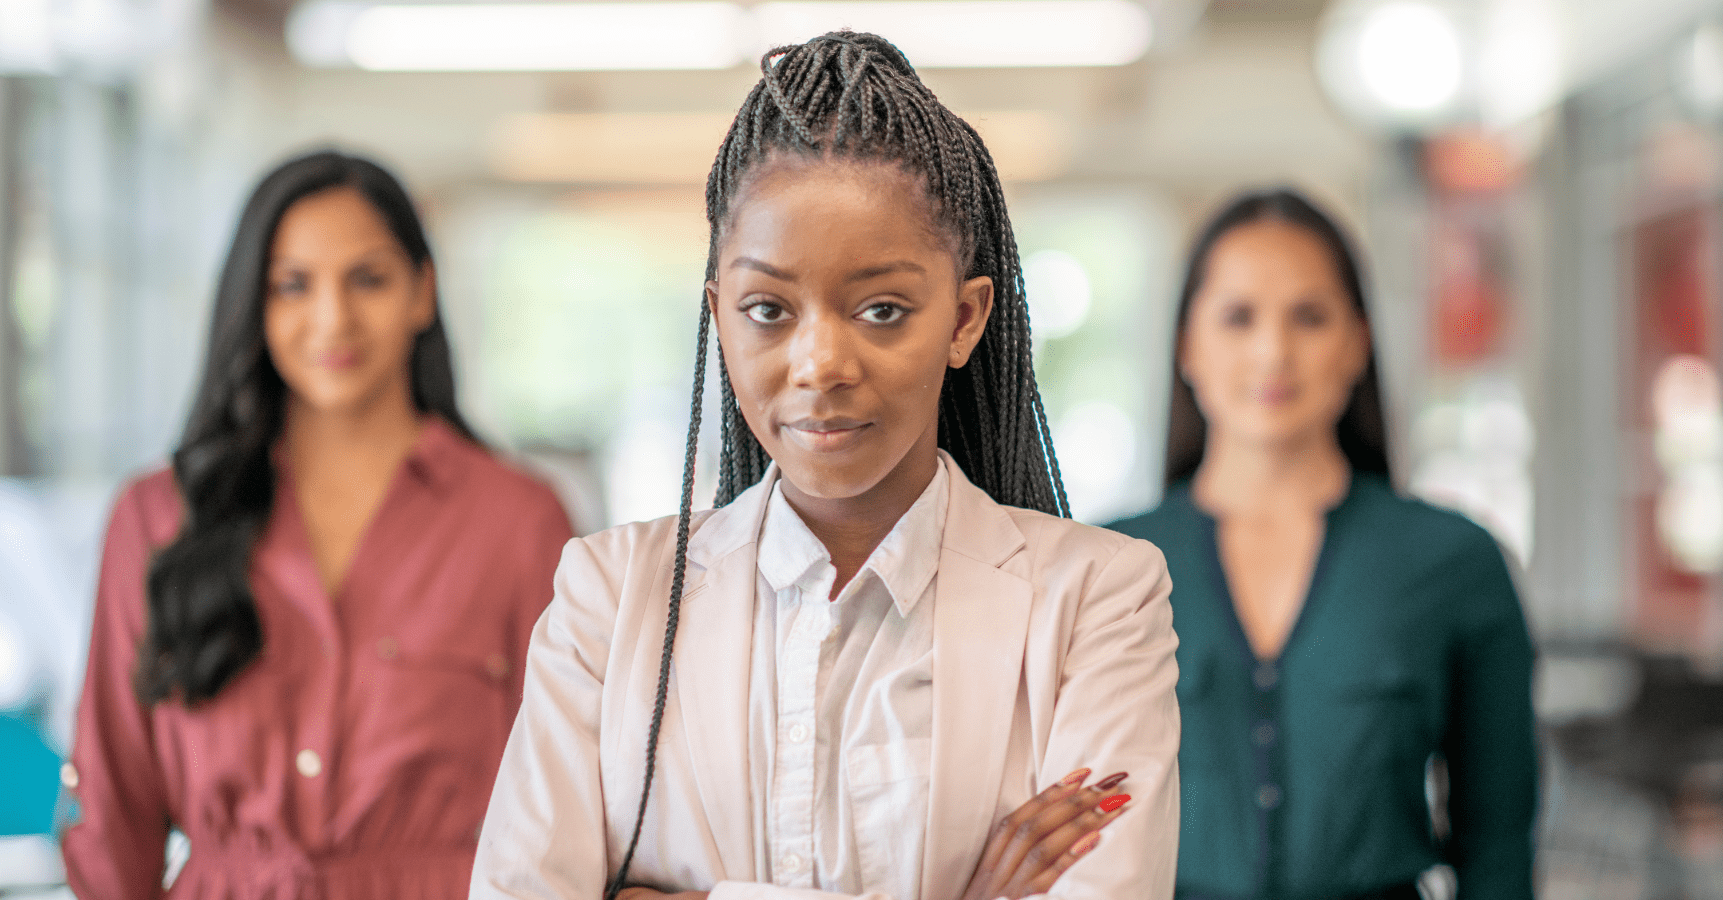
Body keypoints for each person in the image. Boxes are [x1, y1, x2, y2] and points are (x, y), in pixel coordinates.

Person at [470, 31, 1180, 900]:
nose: (820, 364)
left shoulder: (1098, 599)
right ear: (720, 317)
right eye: (767, 309)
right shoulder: (610, 599)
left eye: (882, 309)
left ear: (963, 319)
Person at [61, 151, 573, 900]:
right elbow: (111, 810)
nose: (333, 318)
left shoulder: (520, 523)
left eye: (367, 278)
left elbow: (568, 804)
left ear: (422, 292)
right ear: (253, 306)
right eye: (292, 285)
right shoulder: (156, 518)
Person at [1107, 189, 1537, 900]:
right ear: (1188, 343)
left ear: (1357, 343)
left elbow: (1498, 847)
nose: (1273, 351)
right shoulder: (1106, 566)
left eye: (1309, 316)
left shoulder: (1455, 563)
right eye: (1239, 317)